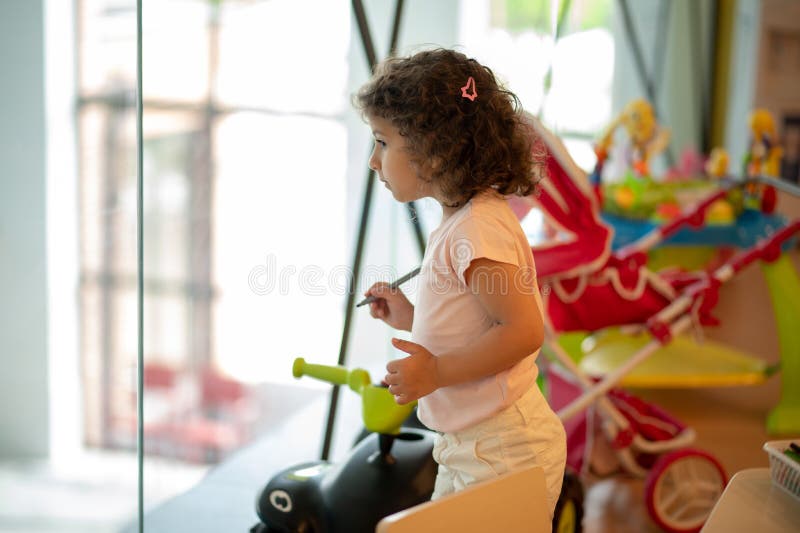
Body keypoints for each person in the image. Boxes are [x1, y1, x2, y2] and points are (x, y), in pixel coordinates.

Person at [355, 48, 566, 517]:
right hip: (472, 447)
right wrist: (410, 314)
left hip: (503, 451)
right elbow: (470, 322)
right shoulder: (464, 221)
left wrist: (436, 373)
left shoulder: (477, 229)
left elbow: (524, 331)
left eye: (383, 142)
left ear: (435, 150)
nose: (373, 161)